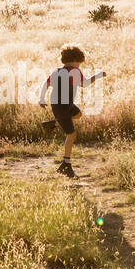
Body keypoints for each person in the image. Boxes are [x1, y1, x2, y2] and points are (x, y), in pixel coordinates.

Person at [38, 45, 106, 177]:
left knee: (78, 114)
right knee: (71, 135)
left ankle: (54, 123)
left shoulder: (56, 71)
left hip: (61, 104)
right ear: (75, 59)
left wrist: (41, 98)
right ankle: (66, 165)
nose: (80, 65)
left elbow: (46, 84)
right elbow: (84, 84)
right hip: (63, 105)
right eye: (80, 62)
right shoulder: (74, 71)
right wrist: (98, 75)